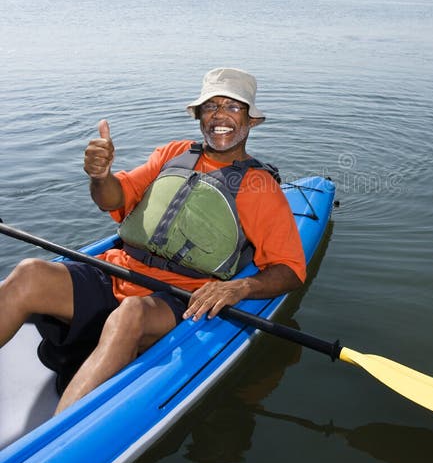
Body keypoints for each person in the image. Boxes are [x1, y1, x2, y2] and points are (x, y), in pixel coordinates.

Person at [0, 68, 306, 414]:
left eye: (233, 107)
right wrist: (101, 177)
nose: (220, 116)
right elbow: (113, 199)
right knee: (29, 274)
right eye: (211, 107)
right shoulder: (173, 154)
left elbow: (290, 270)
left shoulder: (260, 188)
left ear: (250, 121)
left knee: (130, 314)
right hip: (119, 272)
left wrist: (239, 289)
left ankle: (56, 437)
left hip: (178, 298)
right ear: (200, 116)